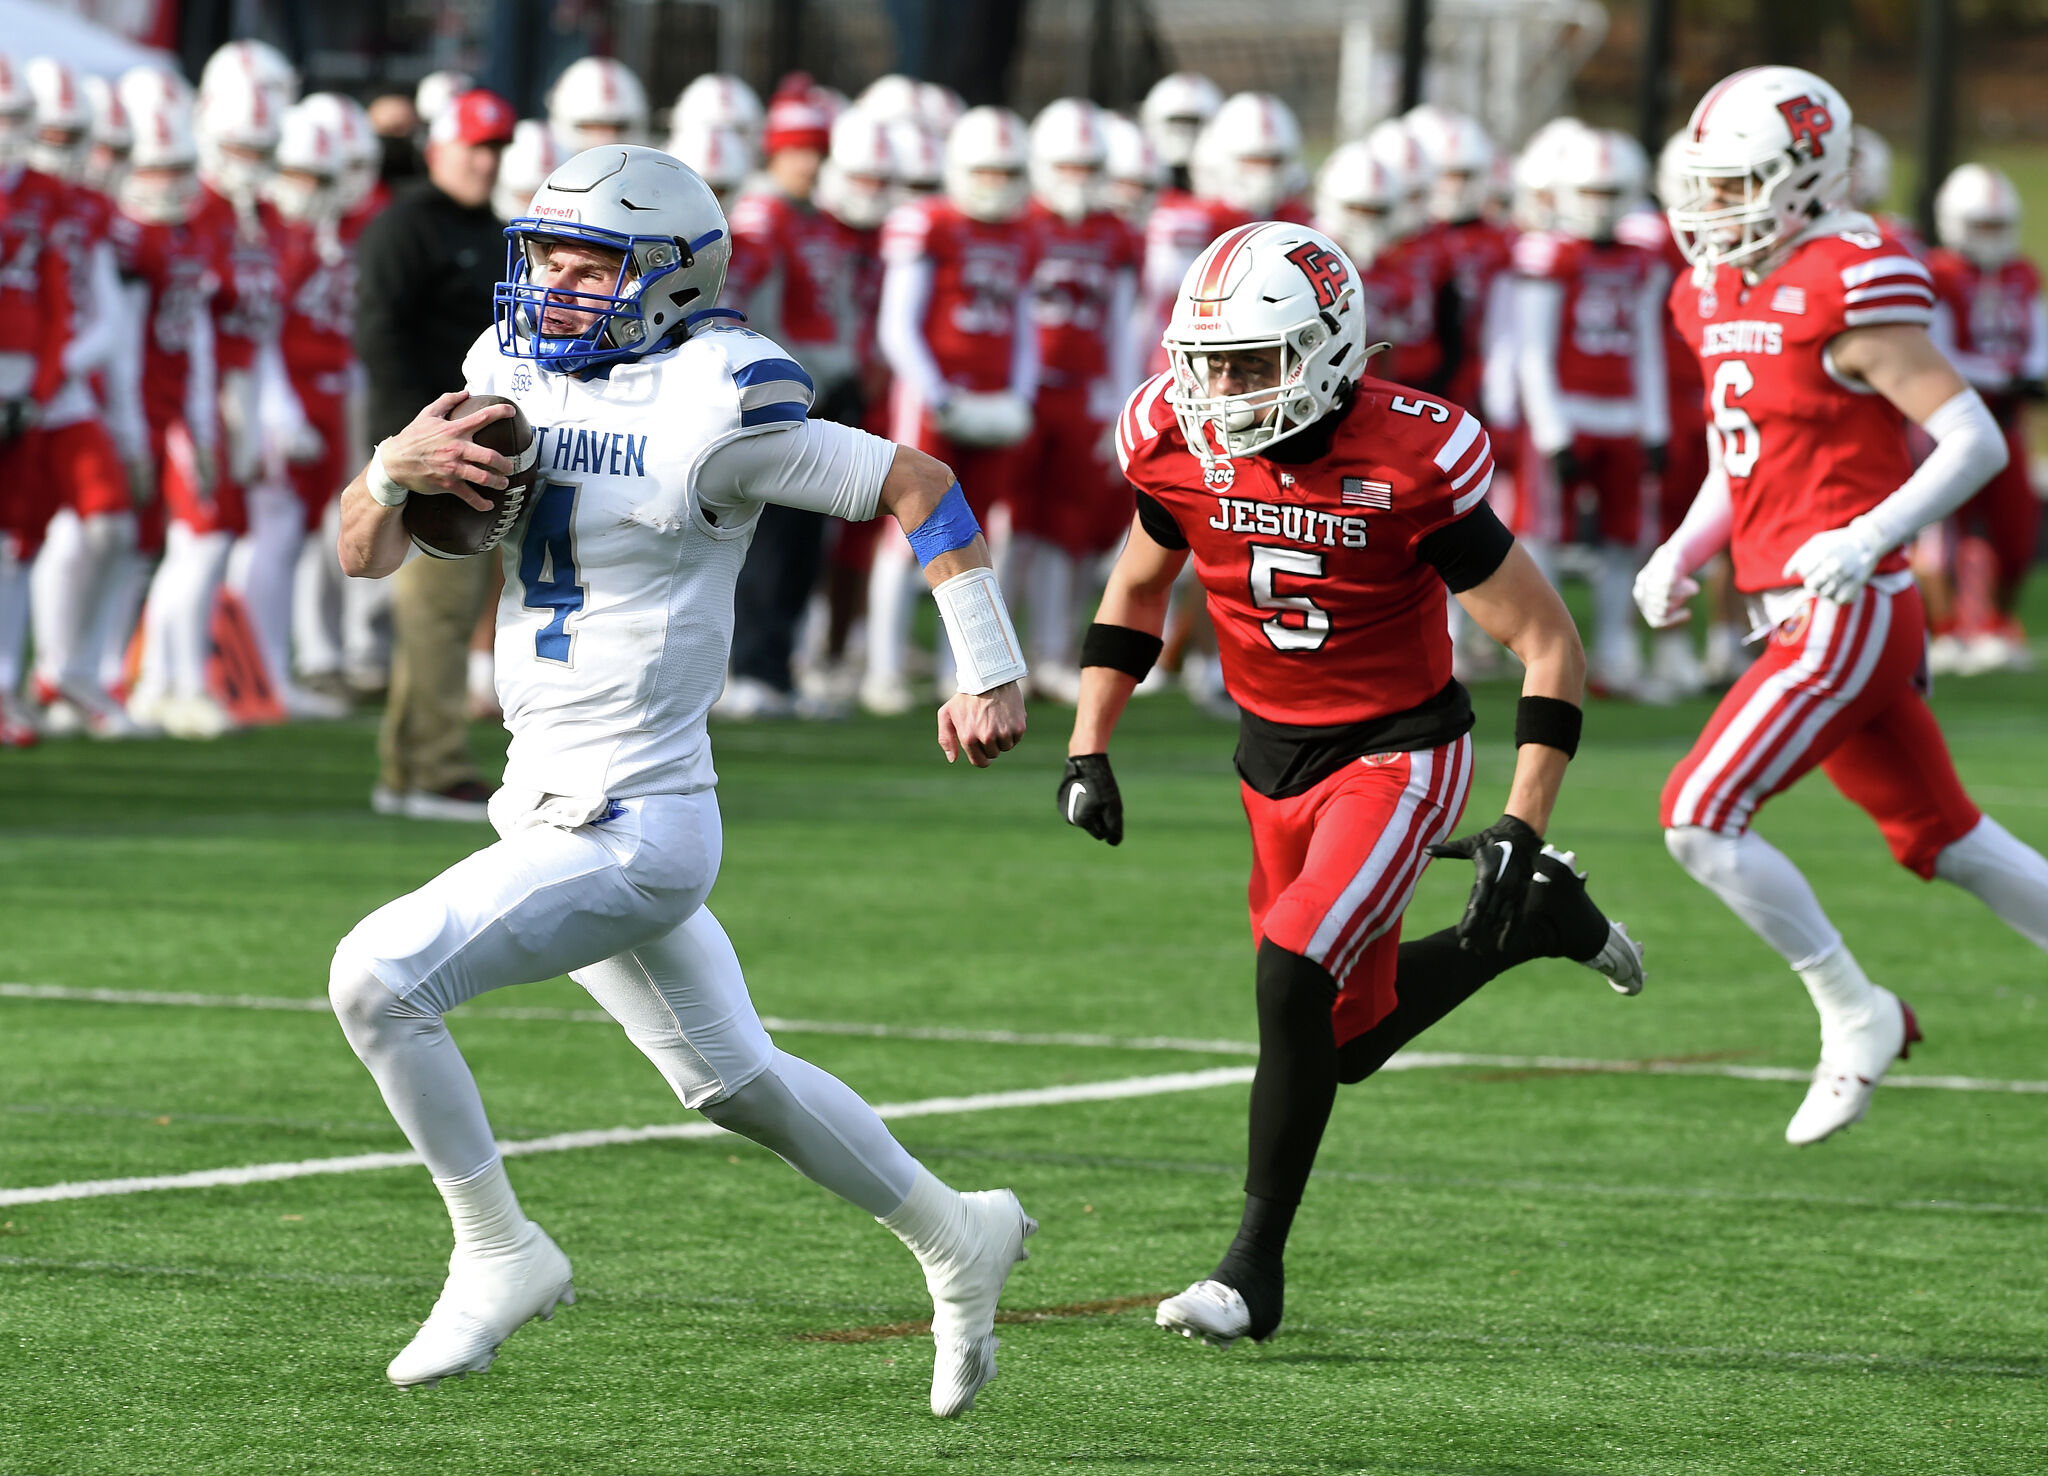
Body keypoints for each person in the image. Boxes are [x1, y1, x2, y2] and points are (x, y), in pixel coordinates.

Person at [329, 143, 1035, 1417]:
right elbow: (362, 553)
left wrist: (985, 668)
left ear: (667, 277)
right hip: (542, 798)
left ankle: (500, 1248)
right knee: (734, 1082)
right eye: (541, 255)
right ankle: (956, 1232)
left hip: (633, 822)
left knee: (377, 980)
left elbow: (921, 486)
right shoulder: (504, 371)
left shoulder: (716, 403)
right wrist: (391, 470)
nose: (552, 283)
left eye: (586, 262)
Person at [1061, 220, 1641, 1348]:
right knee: (1347, 1038)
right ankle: (1529, 930)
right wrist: (1088, 741)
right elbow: (1136, 588)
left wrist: (1518, 820)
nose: (1220, 389)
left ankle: (1248, 1273)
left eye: (1250, 362)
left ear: (1329, 349)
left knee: (1289, 975)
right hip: (1266, 756)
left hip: (1399, 749)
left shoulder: (1410, 458)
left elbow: (1548, 645)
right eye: (1207, 360)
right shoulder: (1171, 437)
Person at [1639, 65, 2048, 1145]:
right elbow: (1745, 456)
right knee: (1942, 837)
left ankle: (1852, 1011)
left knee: (1696, 815)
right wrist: (1683, 548)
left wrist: (1867, 534)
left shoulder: (1846, 278)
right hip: (1786, 600)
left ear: (1806, 177)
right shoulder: (1706, 291)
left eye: (1737, 185)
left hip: (1851, 602)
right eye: (1704, 184)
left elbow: (1975, 439)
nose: (1711, 209)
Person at [353, 88, 516, 819]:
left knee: (459, 606)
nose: (486, 161)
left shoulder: (494, 229)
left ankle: (423, 761)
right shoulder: (405, 227)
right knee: (435, 608)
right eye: (475, 146)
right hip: (428, 448)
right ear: (439, 147)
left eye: (496, 148)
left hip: (476, 449)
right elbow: (379, 336)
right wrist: (407, 451)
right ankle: (426, 768)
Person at [865, 104, 1039, 714]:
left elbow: (1023, 321)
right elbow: (898, 324)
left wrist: (1022, 391)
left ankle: (962, 670)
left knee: (975, 535)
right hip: (936, 397)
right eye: (984, 170)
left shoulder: (1022, 233)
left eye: (1006, 171)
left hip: (992, 397)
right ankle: (883, 670)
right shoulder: (929, 222)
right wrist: (939, 393)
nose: (994, 183)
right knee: (905, 532)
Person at [717, 87, 861, 718]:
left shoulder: (817, 218)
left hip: (830, 380)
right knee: (769, 536)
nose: (808, 160)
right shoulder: (763, 215)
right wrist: (791, 371)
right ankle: (751, 665)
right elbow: (756, 308)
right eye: (797, 149)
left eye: (815, 149)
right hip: (787, 386)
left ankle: (780, 665)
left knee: (808, 541)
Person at [1513, 126, 1669, 697]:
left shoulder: (1641, 258)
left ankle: (1614, 652)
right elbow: (1534, 351)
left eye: (1612, 192)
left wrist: (1655, 425)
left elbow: (1648, 345)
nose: (1601, 205)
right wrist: (1553, 433)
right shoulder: (1550, 253)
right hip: (1570, 414)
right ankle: (1547, 652)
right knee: (1543, 538)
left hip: (1623, 414)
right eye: (1591, 192)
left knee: (1625, 541)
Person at [25, 55, 146, 738]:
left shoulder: (86, 208)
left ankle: (64, 669)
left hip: (61, 388)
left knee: (106, 523)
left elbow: (108, 320)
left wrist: (58, 366)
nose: (61, 151)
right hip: (31, 378)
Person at [1009, 97, 1139, 699]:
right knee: (1008, 525)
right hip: (1022, 392)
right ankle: (993, 652)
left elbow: (1120, 322)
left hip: (1080, 392)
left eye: (1089, 168)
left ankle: (1054, 652)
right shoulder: (1021, 223)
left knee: (1066, 530)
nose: (1077, 181)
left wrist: (1115, 396)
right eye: (1066, 166)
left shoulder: (1115, 233)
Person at [1924, 162, 2044, 672]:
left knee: (2015, 530)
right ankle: (1948, 628)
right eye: (1981, 226)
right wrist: (2003, 374)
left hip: (2006, 420)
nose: (1991, 238)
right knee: (1940, 530)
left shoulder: (2021, 274)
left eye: (1998, 226)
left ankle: (1993, 621)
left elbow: (2039, 336)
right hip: (1943, 422)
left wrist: (2030, 374)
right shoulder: (1937, 273)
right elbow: (1935, 351)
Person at [0, 54, 77, 748]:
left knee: (18, 543)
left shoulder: (45, 193)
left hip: (22, 385)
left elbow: (59, 296)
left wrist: (45, 386)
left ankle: (5, 687)